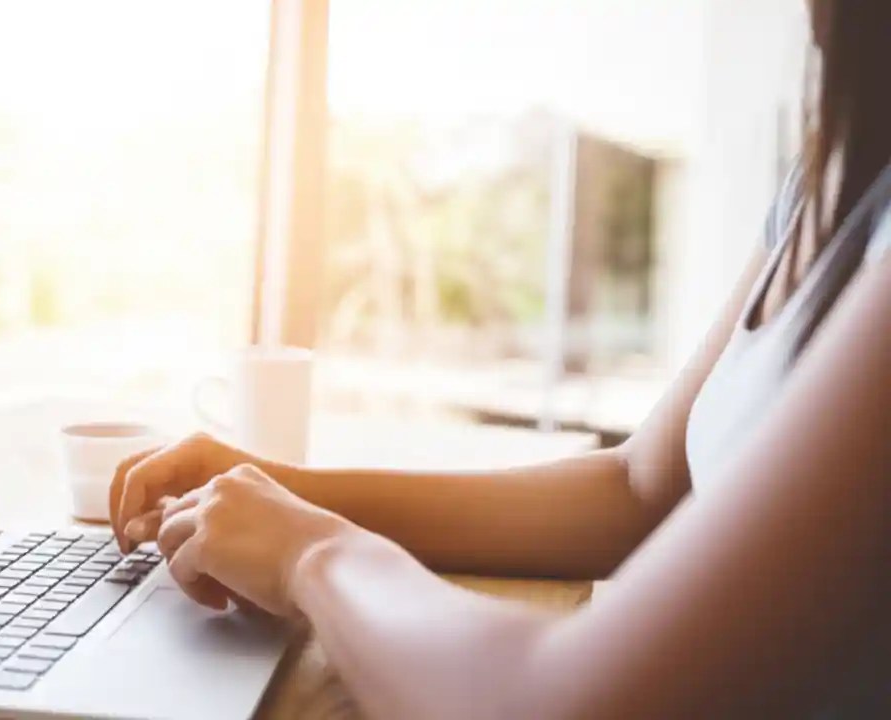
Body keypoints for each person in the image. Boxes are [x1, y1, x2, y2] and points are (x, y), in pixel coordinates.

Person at [110, 1, 890, 716]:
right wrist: (280, 492)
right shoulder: (835, 171)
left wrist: (311, 554)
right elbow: (639, 490)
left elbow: (556, 704)